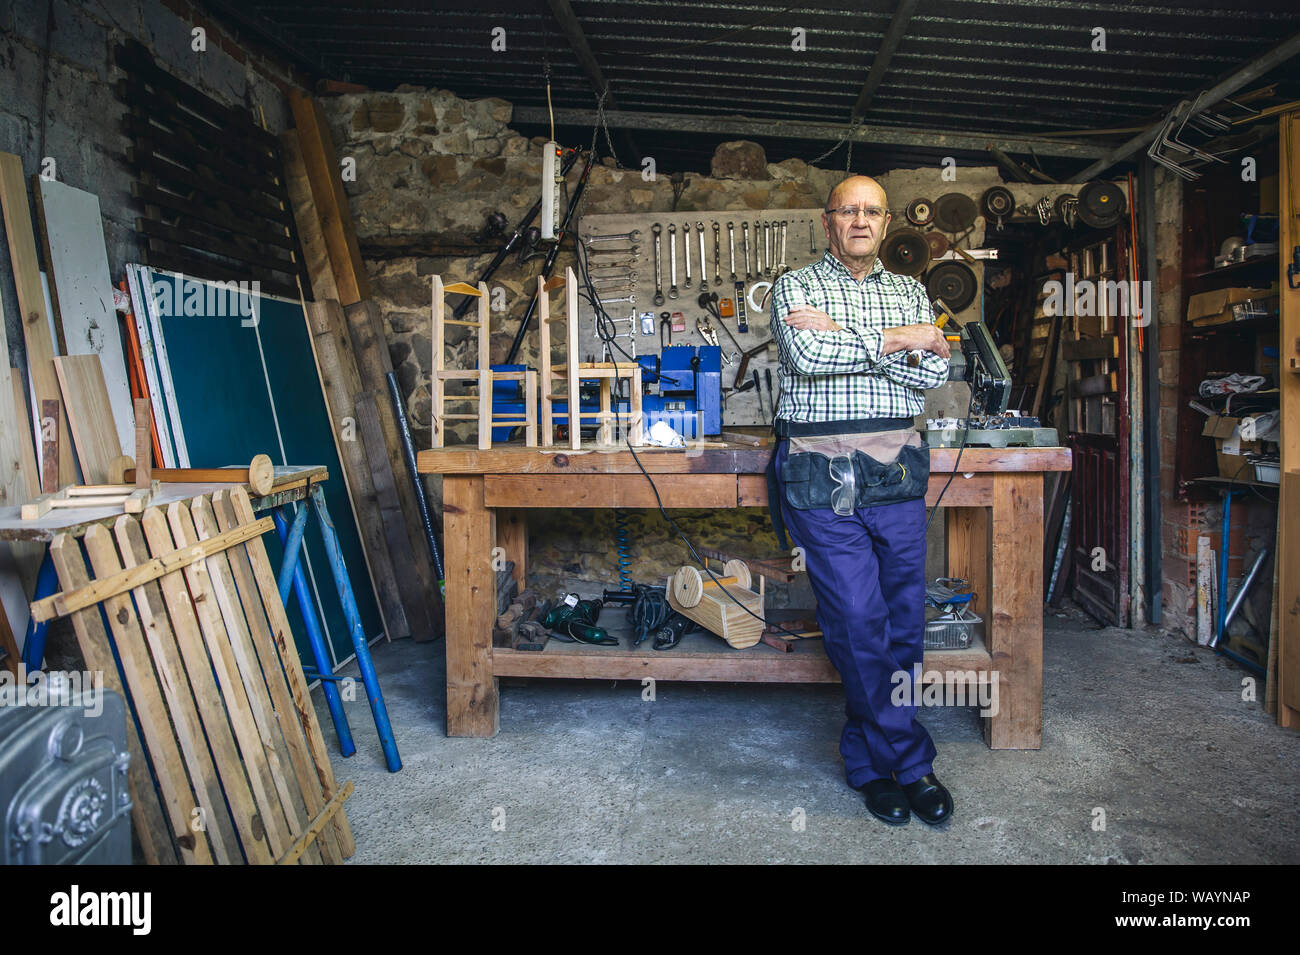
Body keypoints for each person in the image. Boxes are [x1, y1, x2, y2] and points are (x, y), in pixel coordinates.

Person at [767, 174, 954, 827]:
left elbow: (935, 370)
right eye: (848, 210)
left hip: (897, 467)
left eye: (871, 211)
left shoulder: (910, 289)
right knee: (855, 617)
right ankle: (910, 759)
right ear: (828, 221)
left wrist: (892, 341)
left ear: (885, 220)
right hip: (822, 471)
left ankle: (870, 760)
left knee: (904, 618)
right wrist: (902, 340)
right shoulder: (795, 286)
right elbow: (809, 355)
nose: (860, 220)